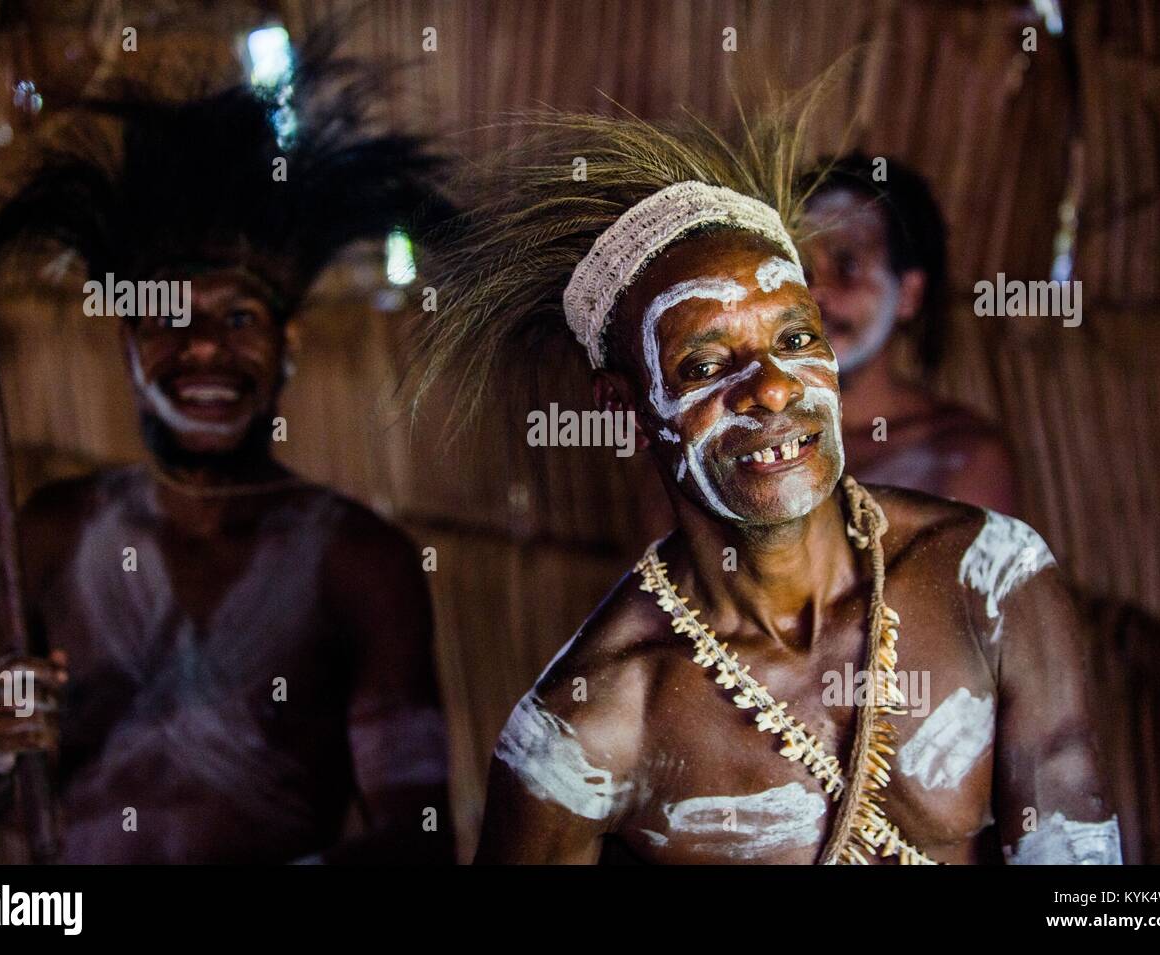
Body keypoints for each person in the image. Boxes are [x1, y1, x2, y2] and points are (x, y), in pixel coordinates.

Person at [417, 112, 1120, 864]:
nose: (775, 391)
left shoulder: (993, 579)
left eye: (794, 339)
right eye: (706, 366)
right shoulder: (589, 729)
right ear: (624, 406)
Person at [0, 45, 452, 863]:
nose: (204, 347)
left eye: (239, 317)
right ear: (128, 348)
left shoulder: (361, 559)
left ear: (288, 346)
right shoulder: (52, 530)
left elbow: (416, 836)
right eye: (168, 318)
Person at [799, 154, 1018, 513]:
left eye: (847, 266)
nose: (815, 292)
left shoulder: (962, 459)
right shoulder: (749, 438)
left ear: (908, 294)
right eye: (801, 267)